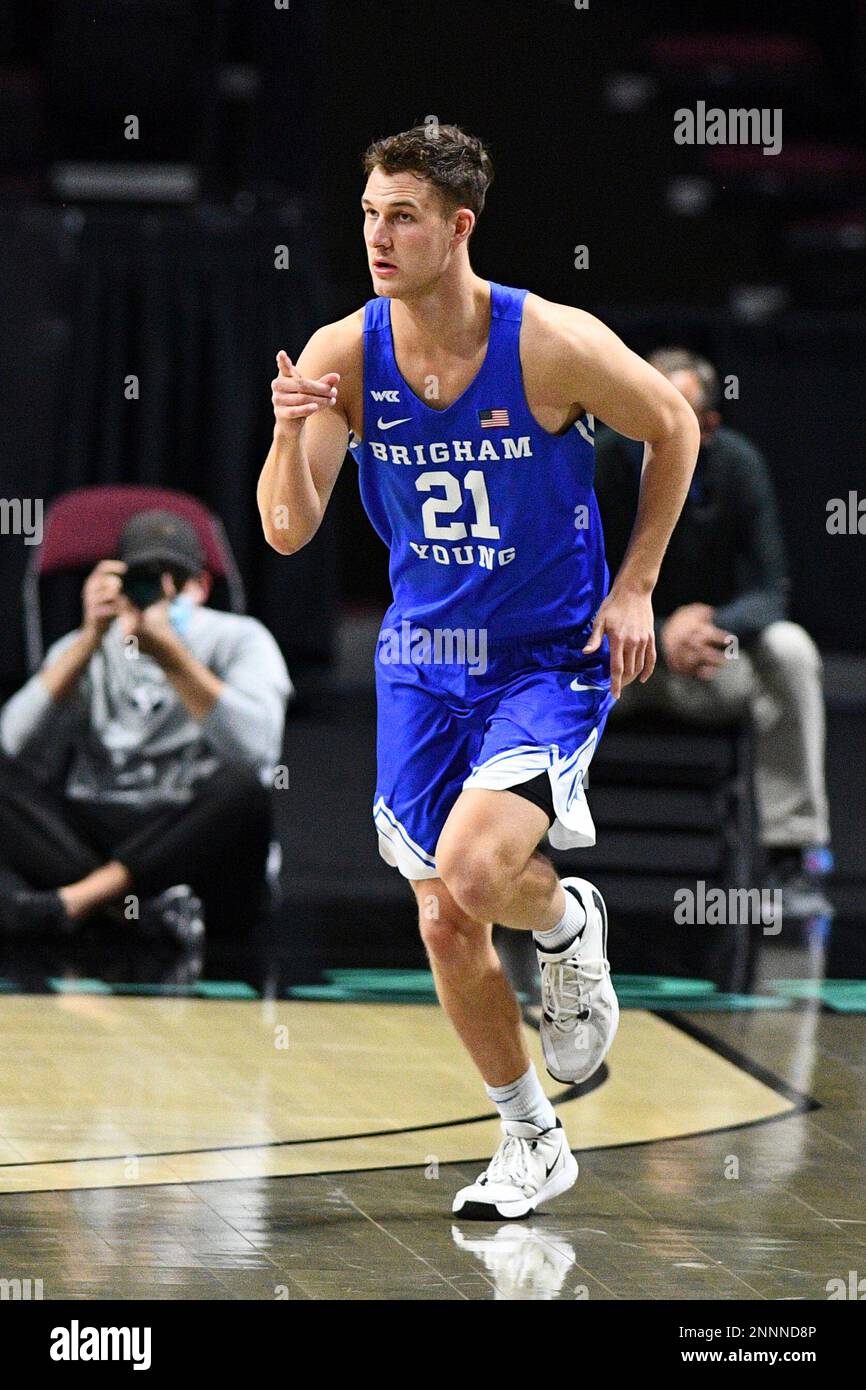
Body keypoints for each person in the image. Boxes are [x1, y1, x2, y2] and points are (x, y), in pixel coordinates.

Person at [257, 125, 699, 1218]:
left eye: (400, 214)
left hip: (545, 658)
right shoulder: (341, 355)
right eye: (366, 212)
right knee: (448, 918)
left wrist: (635, 583)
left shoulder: (545, 340)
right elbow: (283, 532)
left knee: (465, 869)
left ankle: (555, 924)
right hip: (421, 661)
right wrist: (286, 435)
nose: (376, 234)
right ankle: (530, 1128)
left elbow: (673, 424)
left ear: (458, 227)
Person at [595, 349, 832, 917]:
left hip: (705, 663)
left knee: (791, 648)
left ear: (708, 426)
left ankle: (793, 854)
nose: (658, 425)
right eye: (646, 407)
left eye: (676, 412)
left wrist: (709, 624)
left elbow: (771, 590)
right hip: (608, 667)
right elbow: (563, 587)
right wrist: (651, 628)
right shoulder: (602, 461)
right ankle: (515, 846)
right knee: (522, 643)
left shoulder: (738, 467)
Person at [0, 509, 291, 942]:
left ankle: (88, 903)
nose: (163, 592)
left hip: (192, 841)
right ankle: (142, 912)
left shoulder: (240, 638)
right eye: (146, 577)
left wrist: (174, 657)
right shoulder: (85, 643)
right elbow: (13, 742)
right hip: (100, 830)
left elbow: (257, 752)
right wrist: (87, 640)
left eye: (177, 578)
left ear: (202, 586)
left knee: (243, 790)